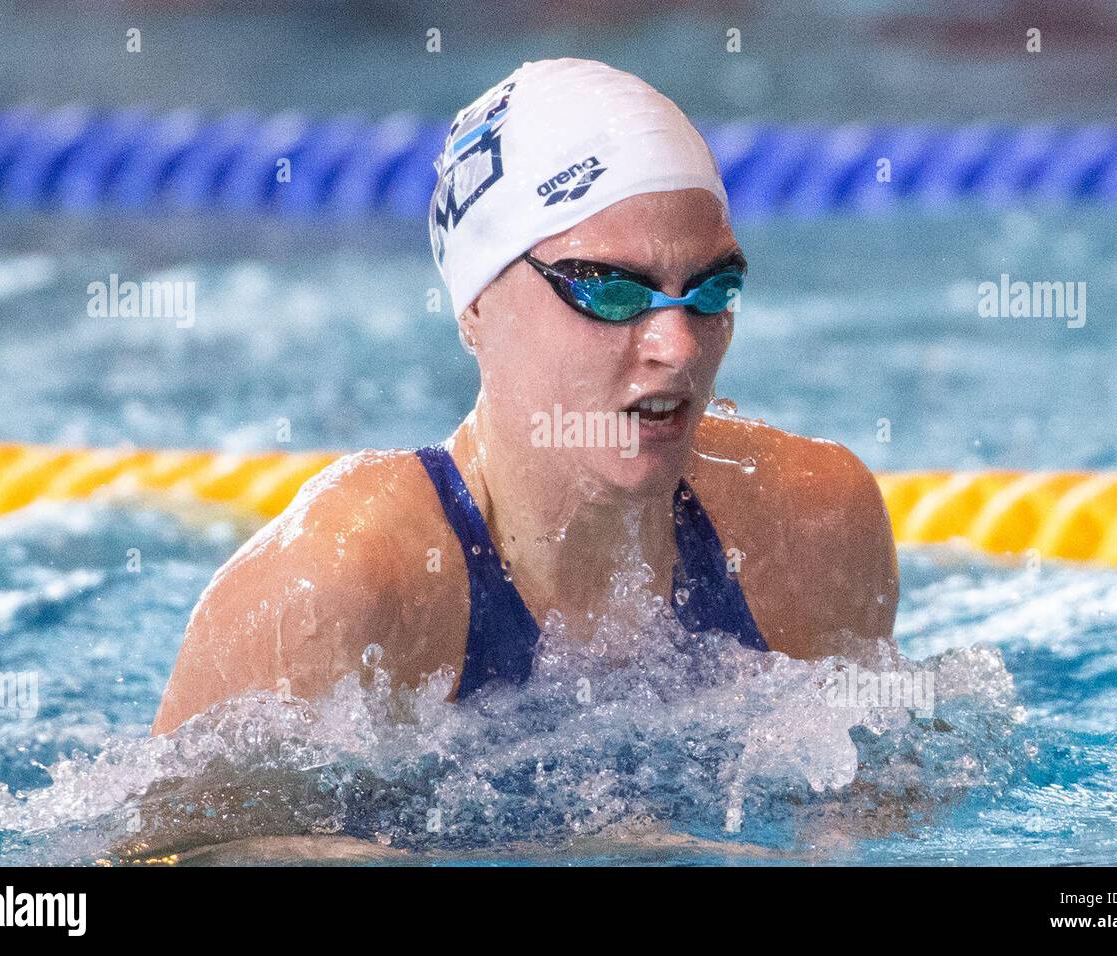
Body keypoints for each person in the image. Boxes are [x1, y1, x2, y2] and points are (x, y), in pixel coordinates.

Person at [151, 58, 898, 736]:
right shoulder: (342, 588)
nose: (679, 345)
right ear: (476, 305)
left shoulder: (814, 524)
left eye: (711, 289)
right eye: (610, 290)